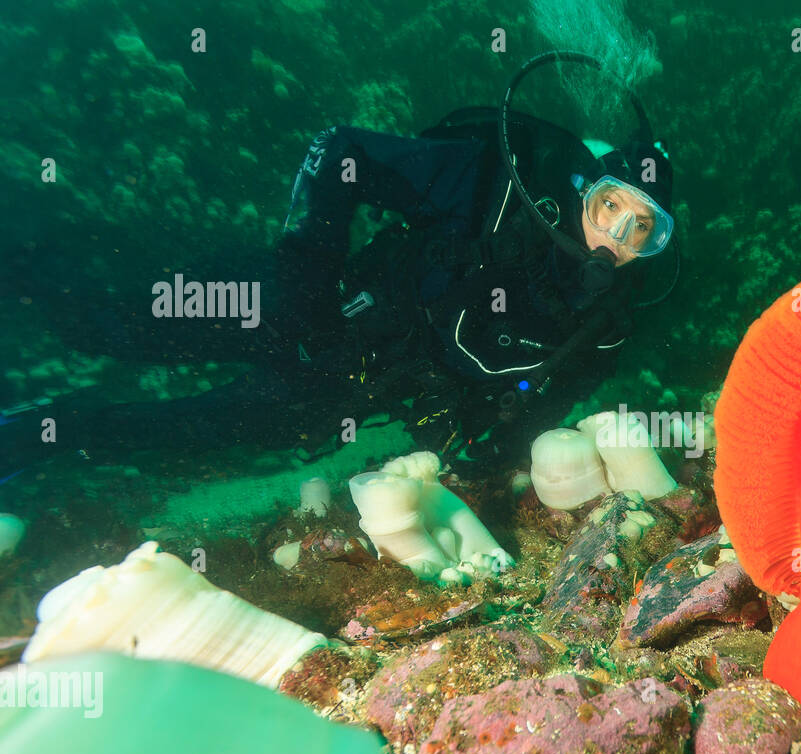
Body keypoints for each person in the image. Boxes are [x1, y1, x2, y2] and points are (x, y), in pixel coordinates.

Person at [2, 102, 676, 478]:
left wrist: (483, 446)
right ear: (585, 188)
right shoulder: (495, 188)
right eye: (612, 206)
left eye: (641, 228)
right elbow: (340, 150)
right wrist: (306, 288)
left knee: (181, 431)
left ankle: (30, 436)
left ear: (651, 246)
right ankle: (25, 251)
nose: (614, 235)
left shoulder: (607, 319)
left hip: (344, 388)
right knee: (106, 328)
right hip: (304, 298)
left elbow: (544, 402)